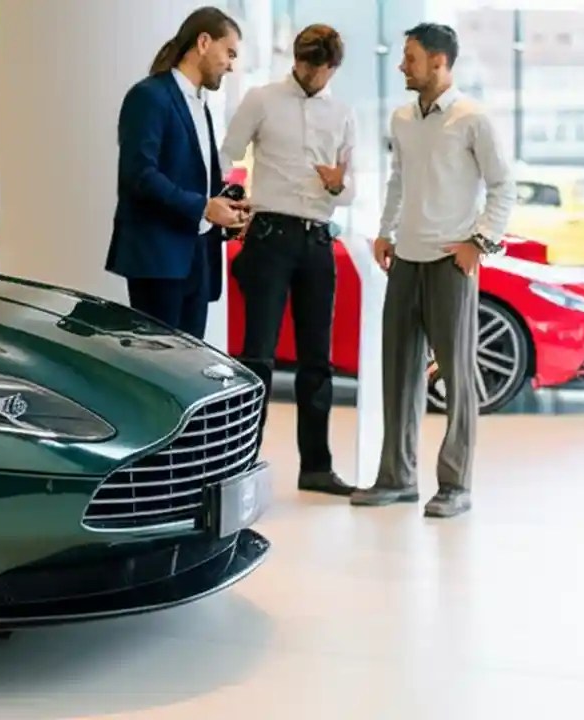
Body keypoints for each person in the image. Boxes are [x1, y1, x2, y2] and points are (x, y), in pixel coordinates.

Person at [350, 22, 515, 518]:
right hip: (405, 259)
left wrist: (478, 243)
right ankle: (396, 477)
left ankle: (455, 485)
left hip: (450, 264)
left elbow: (503, 186)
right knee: (398, 374)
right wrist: (385, 231)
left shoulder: (473, 119)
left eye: (411, 58)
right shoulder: (402, 118)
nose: (403, 65)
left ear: (439, 62)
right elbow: (398, 180)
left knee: (457, 379)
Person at [219, 24, 356, 496]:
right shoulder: (261, 99)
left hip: (318, 242)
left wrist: (338, 185)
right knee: (257, 356)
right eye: (306, 66)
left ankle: (316, 467)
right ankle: (239, 464)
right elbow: (226, 154)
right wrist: (226, 201)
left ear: (332, 68)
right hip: (270, 237)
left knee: (318, 359)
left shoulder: (342, 113)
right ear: (296, 60)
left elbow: (349, 190)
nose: (312, 76)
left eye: (321, 70)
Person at [105, 6, 250, 339]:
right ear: (203, 42)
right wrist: (203, 207)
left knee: (191, 364)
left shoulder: (200, 105)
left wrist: (227, 206)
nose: (231, 65)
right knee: (157, 363)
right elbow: (139, 175)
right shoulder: (149, 96)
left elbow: (193, 178)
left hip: (197, 257)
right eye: (229, 53)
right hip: (158, 260)